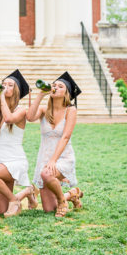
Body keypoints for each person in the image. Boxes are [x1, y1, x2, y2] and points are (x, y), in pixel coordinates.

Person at [0, 70, 35, 217]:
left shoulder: (21, 110)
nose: (5, 87)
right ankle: (27, 192)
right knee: (2, 211)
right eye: (3, 84)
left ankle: (15, 200)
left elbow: (9, 119)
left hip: (15, 161)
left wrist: (2, 97)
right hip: (2, 162)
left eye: (10, 85)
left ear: (16, 91)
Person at [27, 72, 81, 217]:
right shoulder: (45, 110)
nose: (55, 87)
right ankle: (71, 194)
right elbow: (30, 117)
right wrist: (40, 95)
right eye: (54, 85)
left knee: (46, 173)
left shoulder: (71, 110)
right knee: (49, 209)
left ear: (66, 93)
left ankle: (63, 202)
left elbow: (65, 137)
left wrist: (53, 160)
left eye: (60, 86)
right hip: (44, 159)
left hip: (63, 158)